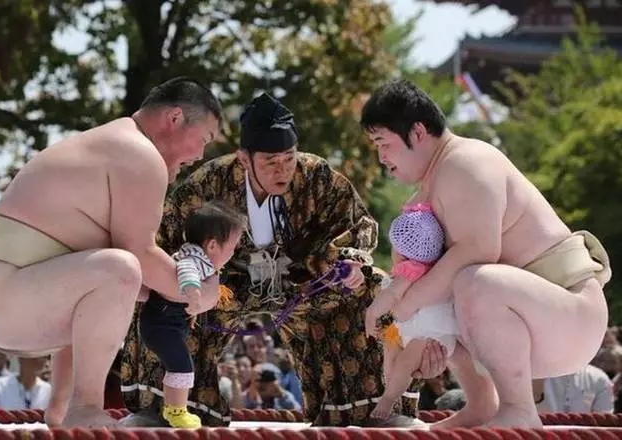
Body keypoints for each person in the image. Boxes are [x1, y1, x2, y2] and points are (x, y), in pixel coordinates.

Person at [121, 92, 445, 428]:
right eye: (271, 162)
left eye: (289, 159)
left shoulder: (316, 175)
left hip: (304, 284)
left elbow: (355, 224)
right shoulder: (209, 182)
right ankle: (161, 409)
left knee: (374, 287)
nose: (283, 170)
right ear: (244, 159)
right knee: (163, 292)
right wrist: (181, 283)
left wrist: (351, 262)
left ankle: (374, 408)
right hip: (223, 288)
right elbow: (162, 238)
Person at [0, 77, 223, 428]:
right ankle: (85, 407)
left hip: (1, 296)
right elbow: (139, 255)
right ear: (174, 118)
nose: (201, 155)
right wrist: (200, 294)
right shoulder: (139, 154)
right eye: (204, 139)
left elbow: (100, 281)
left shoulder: (114, 143)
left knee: (114, 282)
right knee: (121, 270)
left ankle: (61, 408)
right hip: (7, 295)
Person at [360, 79, 611, 428]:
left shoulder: (466, 163)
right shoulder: (430, 186)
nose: (381, 157)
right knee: (446, 290)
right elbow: (424, 280)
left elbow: (479, 249)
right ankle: (482, 405)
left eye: (383, 143)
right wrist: (413, 329)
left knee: (472, 279)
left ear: (417, 132)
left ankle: (518, 409)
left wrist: (404, 305)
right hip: (532, 315)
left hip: (571, 315)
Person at [139, 201, 246, 428]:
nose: (234, 252)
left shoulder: (199, 256)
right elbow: (186, 270)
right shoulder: (194, 259)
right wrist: (194, 295)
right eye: (233, 246)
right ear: (213, 246)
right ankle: (177, 411)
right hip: (162, 323)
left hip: (165, 322)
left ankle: (172, 409)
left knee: (177, 365)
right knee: (182, 366)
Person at [365, 202, 464, 420]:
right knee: (390, 345)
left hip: (431, 337)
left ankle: (388, 399)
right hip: (411, 331)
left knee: (404, 360)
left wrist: (371, 314)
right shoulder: (435, 268)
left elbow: (388, 297)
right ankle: (391, 381)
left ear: (400, 251)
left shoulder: (412, 270)